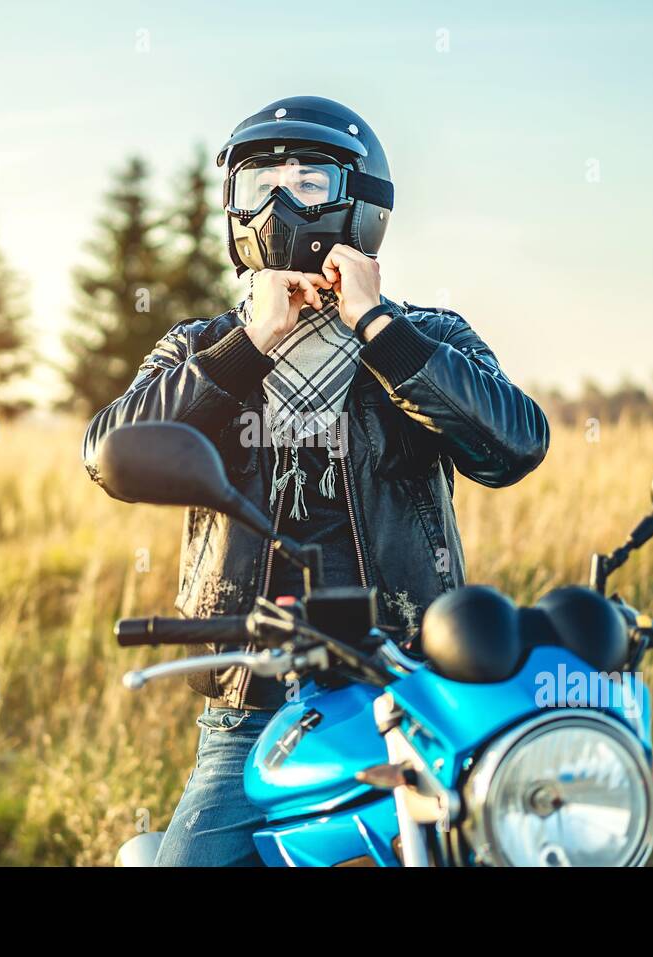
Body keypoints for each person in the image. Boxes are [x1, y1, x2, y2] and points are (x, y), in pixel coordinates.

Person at [83, 95, 550, 865]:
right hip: (251, 705)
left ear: (360, 203)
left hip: (407, 683)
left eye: (307, 183)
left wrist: (379, 328)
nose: (278, 202)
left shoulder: (429, 335)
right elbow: (110, 452)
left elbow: (515, 445)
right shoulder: (201, 344)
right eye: (260, 183)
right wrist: (252, 339)